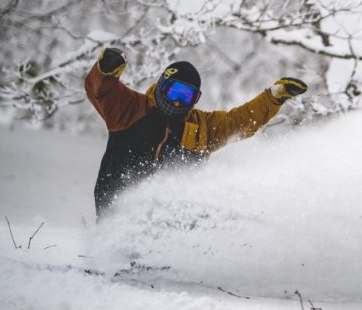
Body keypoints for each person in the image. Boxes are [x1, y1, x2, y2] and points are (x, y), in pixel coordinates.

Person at [85, 47, 307, 217]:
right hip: (116, 209)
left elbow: (239, 121)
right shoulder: (130, 108)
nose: (178, 102)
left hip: (172, 221)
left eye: (187, 96)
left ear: (195, 99)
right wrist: (104, 70)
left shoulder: (201, 128)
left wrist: (272, 98)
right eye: (174, 92)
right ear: (162, 86)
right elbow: (100, 90)